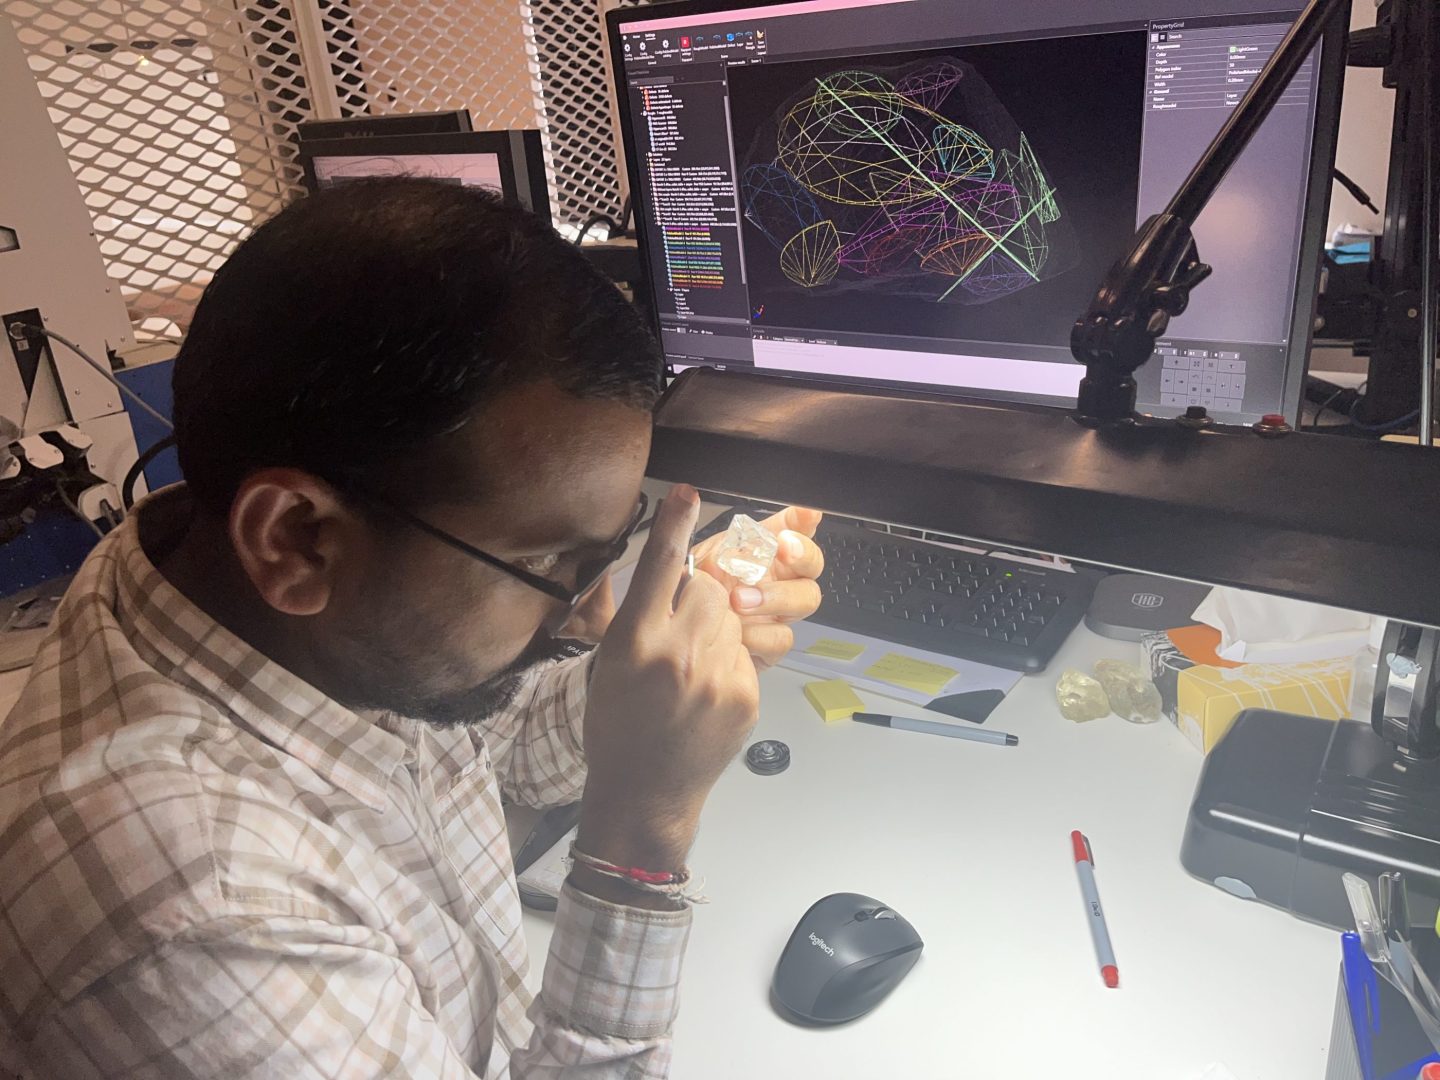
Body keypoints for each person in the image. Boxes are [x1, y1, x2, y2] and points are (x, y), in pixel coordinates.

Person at [0, 178, 824, 1078]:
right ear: (294, 538)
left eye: (605, 552)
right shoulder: (196, 917)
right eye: (547, 561)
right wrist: (641, 832)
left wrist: (650, 674)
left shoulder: (230, 583)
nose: (588, 607)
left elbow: (487, 740)